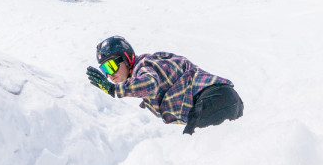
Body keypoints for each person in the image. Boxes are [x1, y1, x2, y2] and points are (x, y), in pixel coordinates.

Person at [86, 36, 243, 134]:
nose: (109, 75)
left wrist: (113, 89)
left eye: (111, 66)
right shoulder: (147, 69)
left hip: (213, 99)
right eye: (104, 69)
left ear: (127, 58)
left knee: (194, 154)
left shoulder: (145, 66)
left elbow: (149, 84)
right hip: (225, 100)